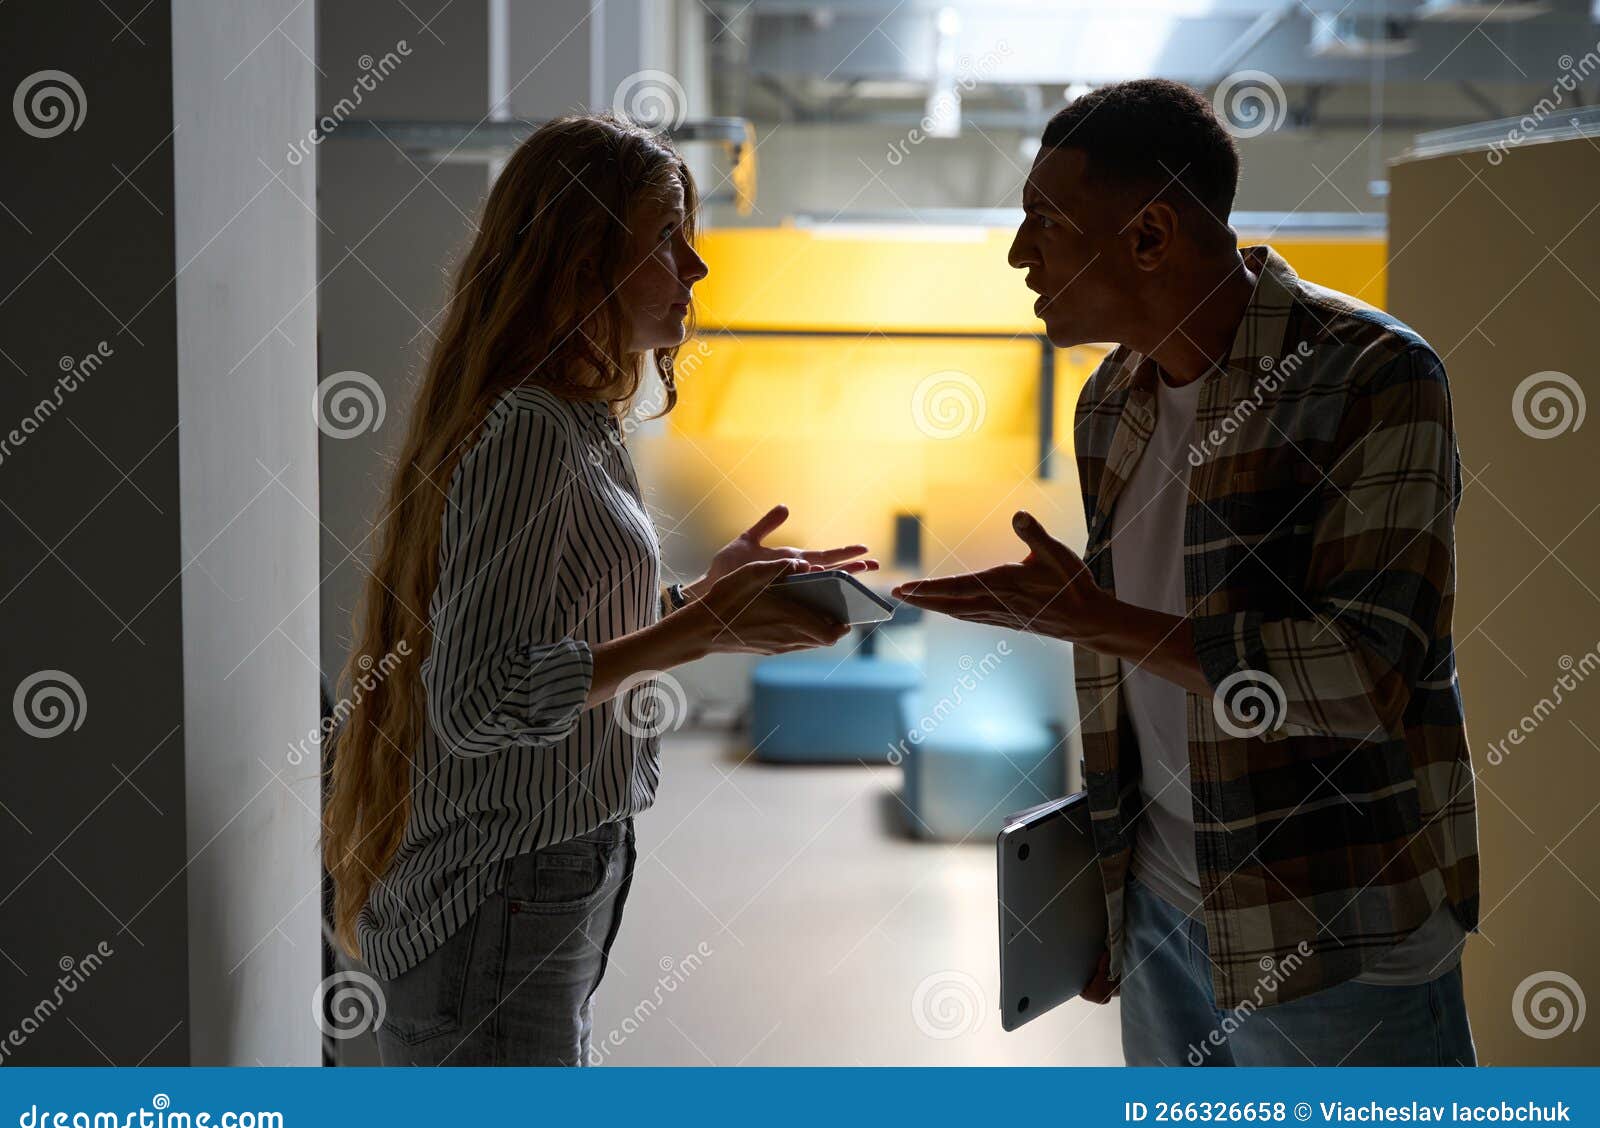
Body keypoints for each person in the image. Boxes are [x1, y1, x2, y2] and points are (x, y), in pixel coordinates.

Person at [893, 79, 1478, 1066]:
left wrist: (1095, 618)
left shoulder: (1374, 376)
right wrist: (1109, 890)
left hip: (1334, 934)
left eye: (1044, 221)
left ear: (1151, 235)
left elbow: (1364, 675)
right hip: (1162, 909)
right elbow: (1132, 694)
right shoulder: (1108, 400)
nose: (1020, 253)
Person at [323, 114, 872, 1066]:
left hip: (542, 878)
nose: (695, 265)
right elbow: (480, 698)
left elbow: (551, 630)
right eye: (665, 238)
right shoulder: (533, 427)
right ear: (580, 259)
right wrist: (699, 630)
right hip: (500, 892)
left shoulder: (575, 419)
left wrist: (698, 604)